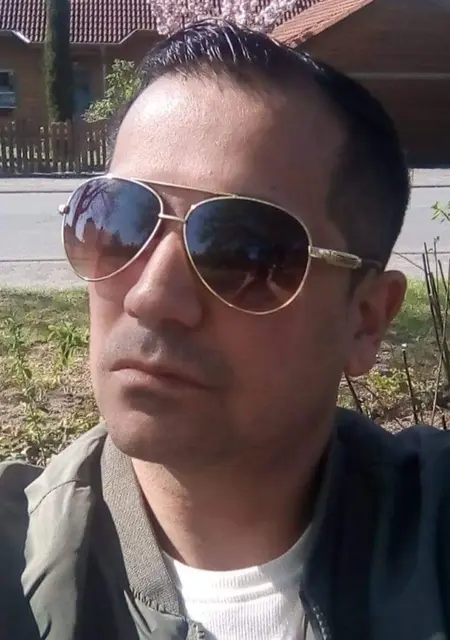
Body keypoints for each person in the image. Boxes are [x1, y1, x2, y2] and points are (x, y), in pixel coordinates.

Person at [0, 20, 448, 640]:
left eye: (244, 252)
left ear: (365, 318)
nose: (151, 296)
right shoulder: (20, 569)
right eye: (119, 222)